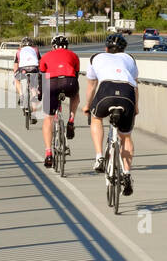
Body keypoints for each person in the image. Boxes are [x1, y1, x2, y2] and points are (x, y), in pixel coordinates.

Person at [82, 32, 139, 195]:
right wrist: (136, 107)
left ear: (105, 48)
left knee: (96, 118)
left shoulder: (96, 57)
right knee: (126, 137)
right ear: (124, 50)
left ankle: (99, 156)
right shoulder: (130, 58)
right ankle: (127, 174)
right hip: (127, 93)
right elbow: (135, 85)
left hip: (106, 90)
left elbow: (92, 86)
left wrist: (87, 105)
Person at [38, 34, 80, 168]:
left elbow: (41, 78)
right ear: (67, 46)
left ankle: (48, 153)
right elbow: (76, 74)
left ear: (52, 46)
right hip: (69, 82)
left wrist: (40, 94)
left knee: (48, 119)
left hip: (52, 84)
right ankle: (71, 120)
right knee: (75, 96)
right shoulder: (73, 55)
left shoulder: (45, 56)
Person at [12, 37, 41, 119]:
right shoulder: (36, 49)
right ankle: (34, 99)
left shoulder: (19, 51)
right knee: (33, 86)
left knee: (17, 79)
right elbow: (40, 62)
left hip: (23, 69)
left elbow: (15, 65)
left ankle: (21, 95)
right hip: (34, 68)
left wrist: (15, 74)